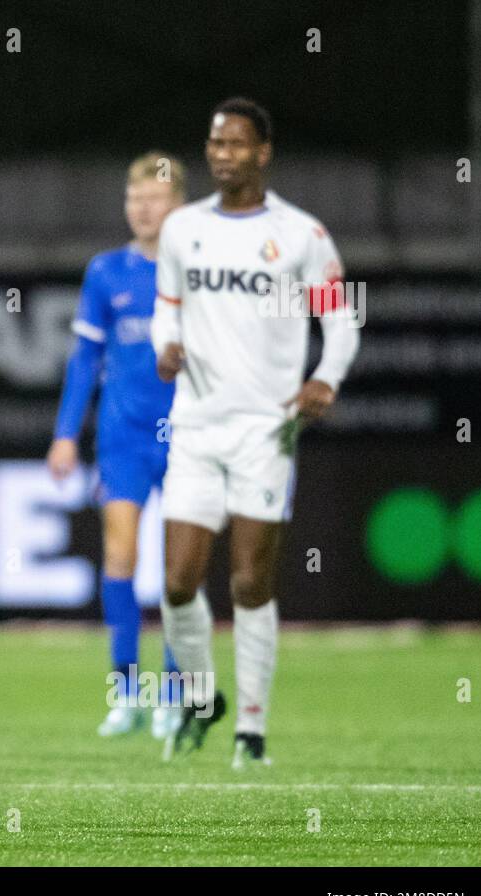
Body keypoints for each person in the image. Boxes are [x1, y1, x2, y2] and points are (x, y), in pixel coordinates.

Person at [151, 99, 360, 766]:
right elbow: (167, 310)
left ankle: (251, 728)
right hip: (194, 425)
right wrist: (165, 345)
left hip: (267, 430)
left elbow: (342, 320)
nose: (222, 154)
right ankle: (202, 694)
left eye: (236, 144)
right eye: (215, 143)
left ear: (262, 152)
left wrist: (325, 377)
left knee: (248, 583)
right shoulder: (184, 229)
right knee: (179, 583)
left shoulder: (301, 235)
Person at [47, 152, 185, 740]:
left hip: (188, 438)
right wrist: (63, 434)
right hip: (123, 439)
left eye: (152, 199)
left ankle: (176, 694)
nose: (141, 209)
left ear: (177, 206)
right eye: (133, 200)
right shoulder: (106, 272)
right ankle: (126, 692)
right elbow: (85, 361)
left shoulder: (199, 273)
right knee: (121, 557)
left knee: (182, 570)